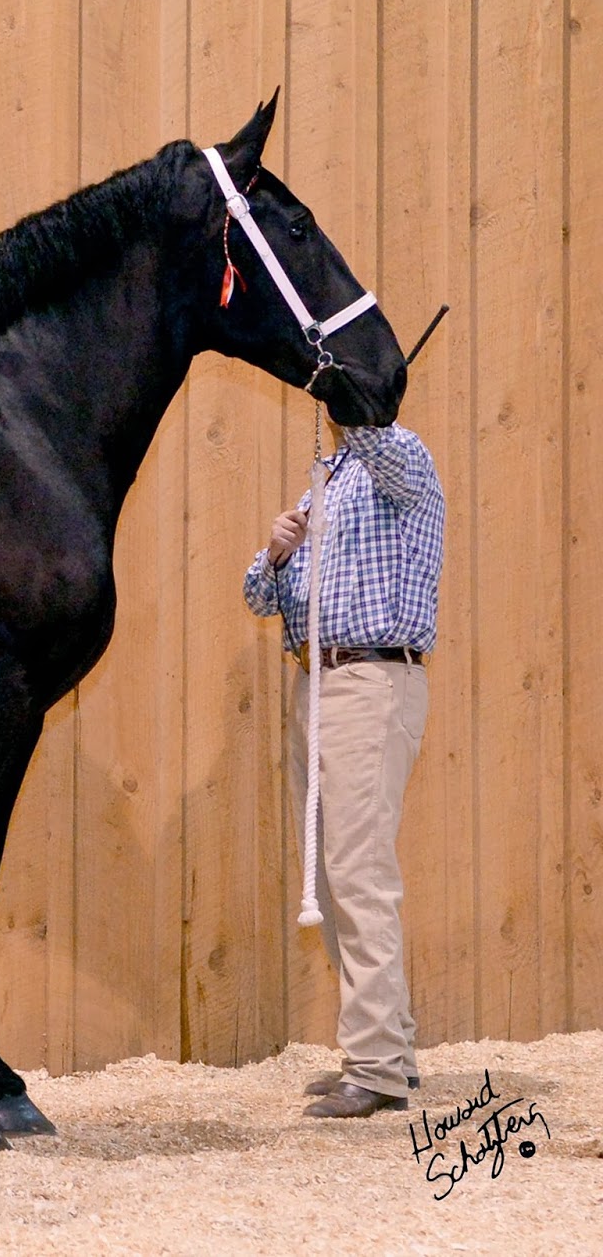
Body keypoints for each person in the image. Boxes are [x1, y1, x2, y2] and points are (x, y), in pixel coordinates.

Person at [243, 416, 445, 1118]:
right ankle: (391, 1049)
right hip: (316, 683)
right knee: (332, 873)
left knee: (357, 869)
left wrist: (351, 399)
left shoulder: (399, 456)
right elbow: (258, 596)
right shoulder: (324, 481)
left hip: (370, 679)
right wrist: (274, 552)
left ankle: (378, 1066)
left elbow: (380, 444)